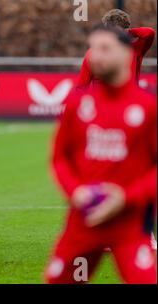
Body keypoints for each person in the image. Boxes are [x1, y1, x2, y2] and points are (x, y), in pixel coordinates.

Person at [46, 25, 157, 284]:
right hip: (83, 221)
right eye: (93, 48)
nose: (96, 56)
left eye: (105, 48)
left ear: (127, 54)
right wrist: (76, 192)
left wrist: (126, 197)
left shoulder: (148, 108)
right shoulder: (77, 105)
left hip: (128, 224)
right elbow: (60, 159)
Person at [77, 9, 156, 90]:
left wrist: (128, 33)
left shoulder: (134, 50)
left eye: (118, 33)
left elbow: (149, 33)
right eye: (111, 32)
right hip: (102, 101)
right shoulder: (94, 54)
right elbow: (81, 86)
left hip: (129, 100)